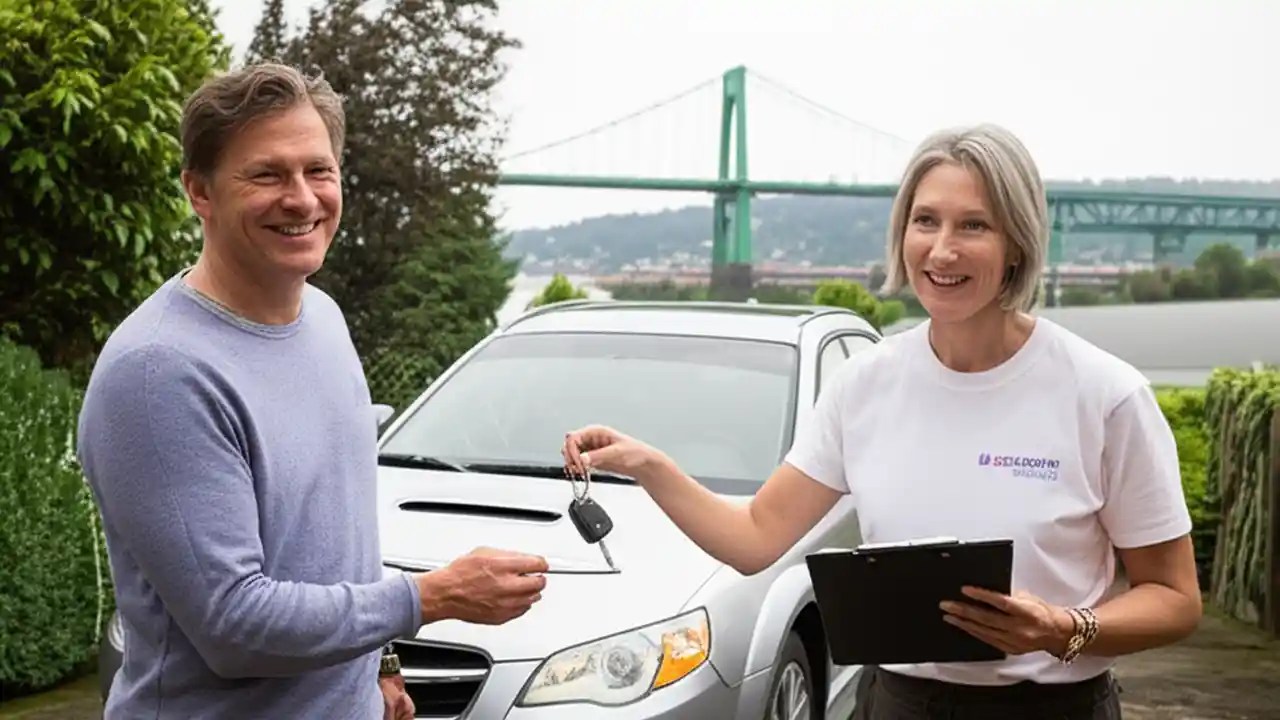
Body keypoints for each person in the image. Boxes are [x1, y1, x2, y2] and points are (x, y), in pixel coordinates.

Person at [562, 124, 1202, 719]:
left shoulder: (1106, 395)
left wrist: (1065, 630)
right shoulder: (864, 384)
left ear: (1017, 244)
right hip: (897, 702)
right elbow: (753, 538)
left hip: (1054, 706)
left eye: (974, 225)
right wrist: (649, 465)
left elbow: (1175, 599)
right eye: (925, 220)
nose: (942, 249)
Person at [77, 62, 548, 720]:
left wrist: (379, 660)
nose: (302, 199)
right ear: (199, 192)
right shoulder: (159, 374)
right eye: (267, 175)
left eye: (318, 170)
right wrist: (429, 597)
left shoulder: (321, 317)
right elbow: (235, 626)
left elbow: (339, 537)